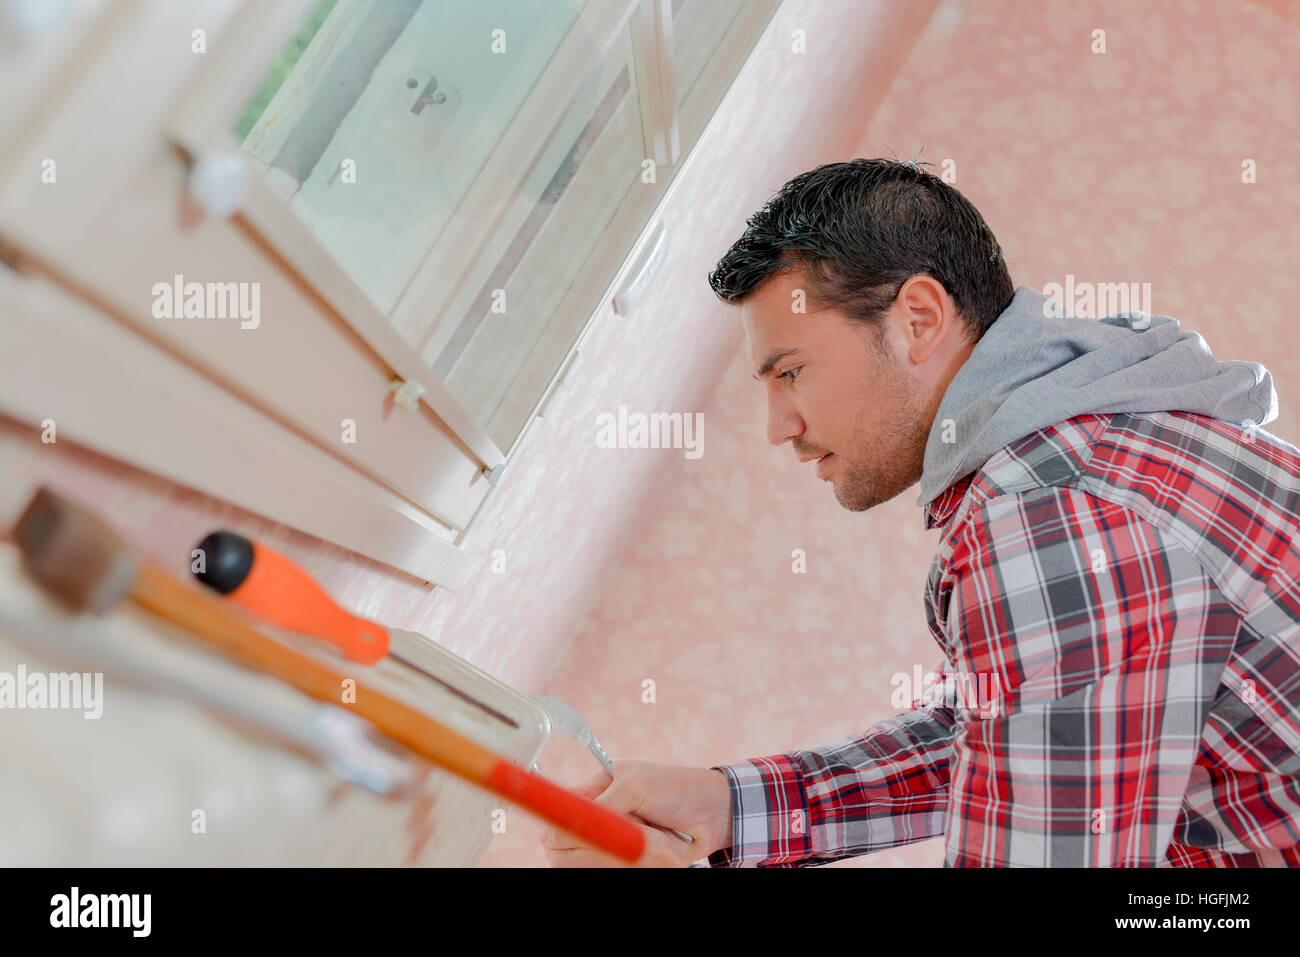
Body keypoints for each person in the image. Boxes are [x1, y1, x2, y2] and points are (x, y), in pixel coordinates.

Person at [541, 158, 1300, 867]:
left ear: (918, 318)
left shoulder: (1050, 520)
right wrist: (733, 804)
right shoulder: (1099, 430)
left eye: (792, 371)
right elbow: (1010, 729)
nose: (779, 424)